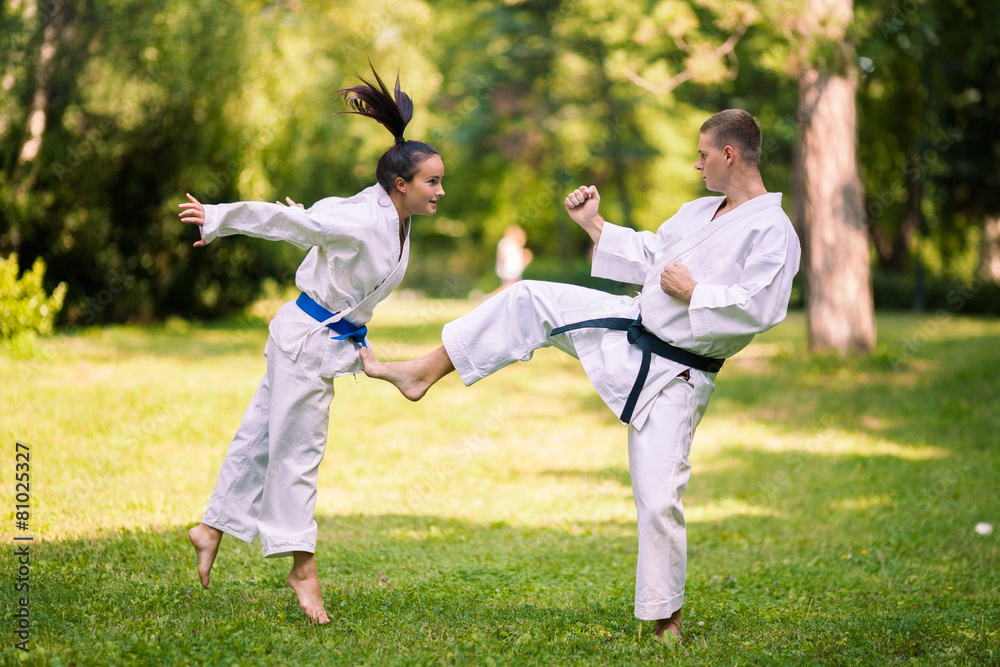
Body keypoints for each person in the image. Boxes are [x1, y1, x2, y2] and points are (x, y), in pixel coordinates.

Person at [359, 109, 801, 641]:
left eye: (704, 154)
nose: (697, 164)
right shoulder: (698, 211)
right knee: (527, 296)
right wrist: (594, 224)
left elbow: (764, 306)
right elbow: (650, 258)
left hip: (678, 374)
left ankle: (666, 622)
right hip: (631, 326)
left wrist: (697, 293)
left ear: (729, 154)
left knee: (659, 498)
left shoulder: (772, 229)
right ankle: (423, 372)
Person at [179, 65, 445, 624]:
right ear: (401, 185)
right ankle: (301, 567)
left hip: (308, 338)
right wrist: (220, 217)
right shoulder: (364, 220)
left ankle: (211, 527)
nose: (440, 191)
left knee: (259, 438)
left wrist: (311, 218)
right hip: (306, 342)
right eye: (432, 183)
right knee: (298, 456)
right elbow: (292, 224)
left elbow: (323, 223)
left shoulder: (389, 215)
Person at [495, 225, 533, 289]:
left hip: (511, 273)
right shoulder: (509, 243)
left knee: (509, 288)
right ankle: (489, 297)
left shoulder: (513, 244)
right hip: (510, 272)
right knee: (508, 288)